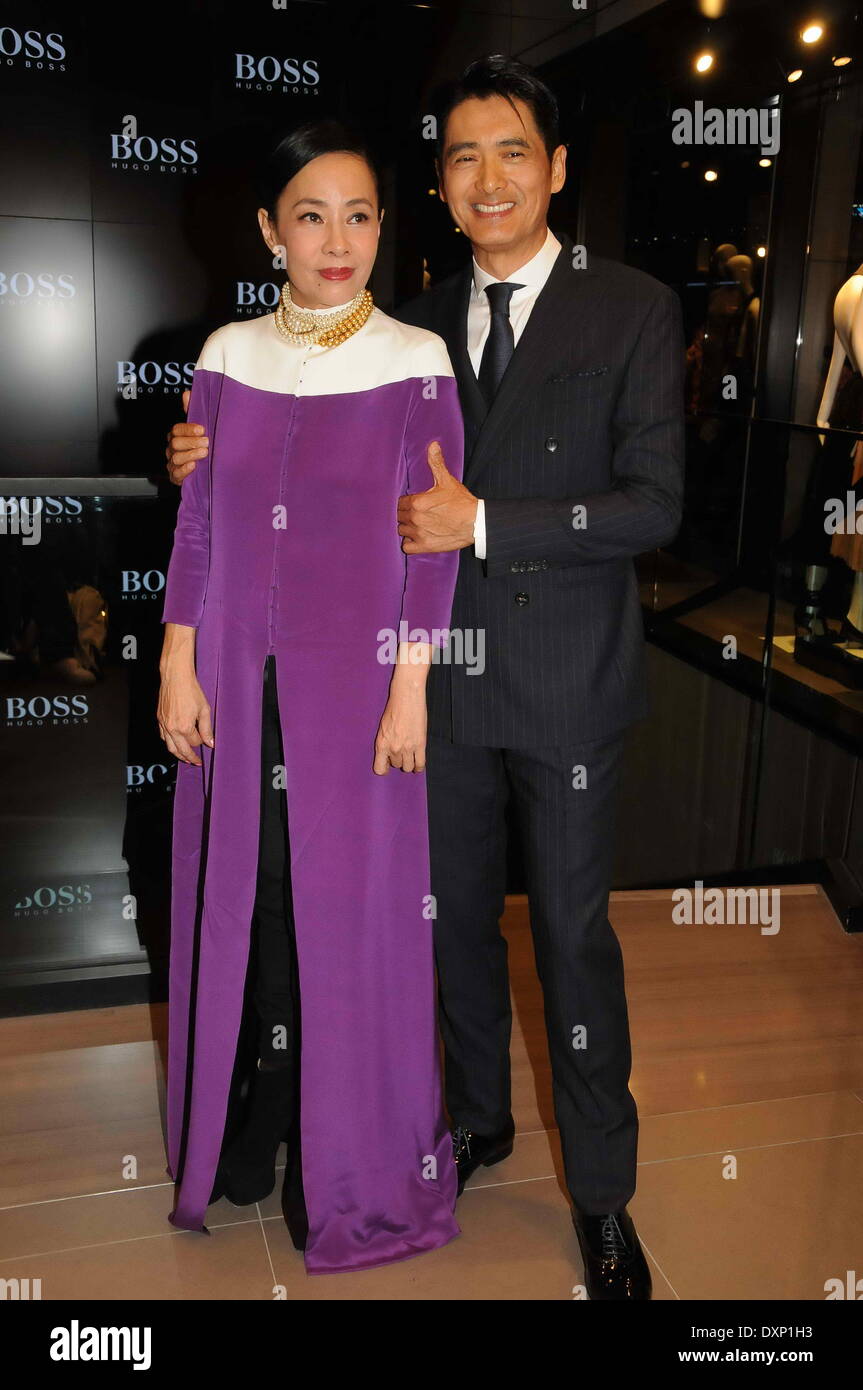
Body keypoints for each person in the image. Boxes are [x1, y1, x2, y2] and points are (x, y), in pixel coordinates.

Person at [166, 57, 685, 1300]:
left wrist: (488, 524)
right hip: (424, 693)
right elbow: (298, 453)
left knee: (566, 938)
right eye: (461, 158)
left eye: (511, 152)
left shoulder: (629, 307)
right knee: (437, 931)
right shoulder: (410, 313)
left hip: (559, 680)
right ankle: (470, 1124)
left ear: (554, 169)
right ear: (440, 190)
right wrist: (203, 448)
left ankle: (603, 1200)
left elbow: (654, 505)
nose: (488, 177)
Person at [157, 119, 464, 1275]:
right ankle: (248, 1127)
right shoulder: (226, 356)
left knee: (352, 923)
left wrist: (411, 688)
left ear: (384, 226)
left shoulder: (415, 359)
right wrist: (178, 656)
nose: (336, 241)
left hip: (358, 692)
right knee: (255, 909)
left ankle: (349, 1169)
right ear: (268, 229)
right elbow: (197, 523)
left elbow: (430, 547)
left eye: (361, 214)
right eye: (310, 214)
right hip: (238, 682)